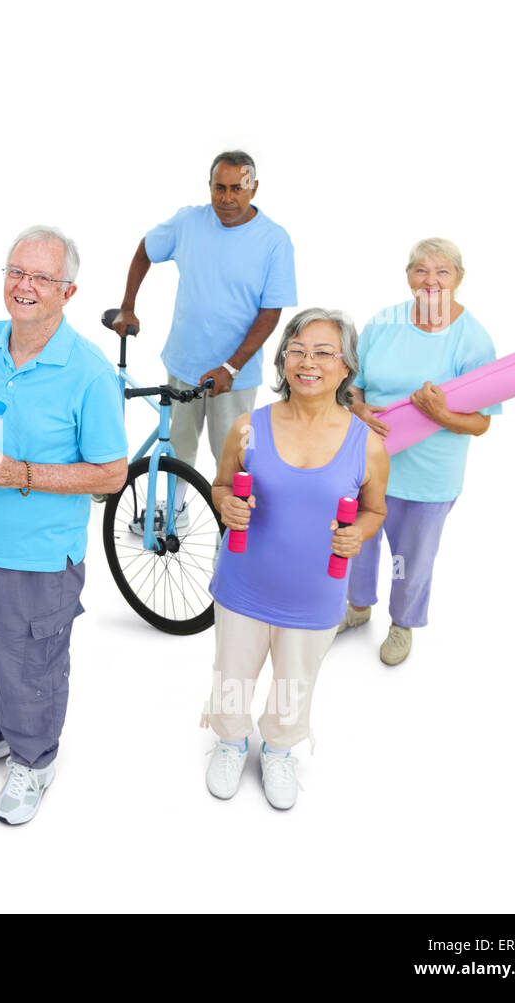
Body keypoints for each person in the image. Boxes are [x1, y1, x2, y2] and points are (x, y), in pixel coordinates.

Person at [0, 226, 128, 825]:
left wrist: (20, 473)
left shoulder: (91, 374)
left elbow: (111, 474)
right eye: (17, 272)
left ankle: (33, 761)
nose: (25, 285)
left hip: (39, 557)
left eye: (42, 277)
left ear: (68, 292)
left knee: (29, 669)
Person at [204, 308, 389, 810]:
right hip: (243, 586)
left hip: (314, 595)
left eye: (324, 352)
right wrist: (225, 503)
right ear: (283, 359)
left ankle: (280, 748)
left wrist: (357, 535)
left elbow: (374, 510)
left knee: (294, 680)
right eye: (298, 350)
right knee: (232, 672)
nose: (309, 362)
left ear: (347, 366)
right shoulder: (247, 427)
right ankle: (230, 740)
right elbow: (221, 485)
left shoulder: (367, 444)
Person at [338, 238, 499, 666]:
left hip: (428, 477)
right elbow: (352, 383)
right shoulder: (383, 323)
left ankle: (402, 623)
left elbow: (481, 422)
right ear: (408, 276)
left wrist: (440, 414)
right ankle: (357, 607)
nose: (431, 280)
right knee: (357, 542)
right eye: (421, 270)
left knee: (408, 559)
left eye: (442, 271)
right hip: (367, 463)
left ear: (459, 278)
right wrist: (357, 407)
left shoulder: (473, 340)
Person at [113, 150, 297, 478]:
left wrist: (230, 367)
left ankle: (228, 514)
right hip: (184, 362)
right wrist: (128, 307)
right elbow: (146, 249)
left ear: (253, 188)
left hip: (236, 375)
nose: (226, 198)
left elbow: (270, 313)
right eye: (219, 188)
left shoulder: (275, 240)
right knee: (178, 449)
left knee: (233, 457)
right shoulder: (188, 222)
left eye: (237, 189)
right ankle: (175, 504)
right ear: (209, 186)